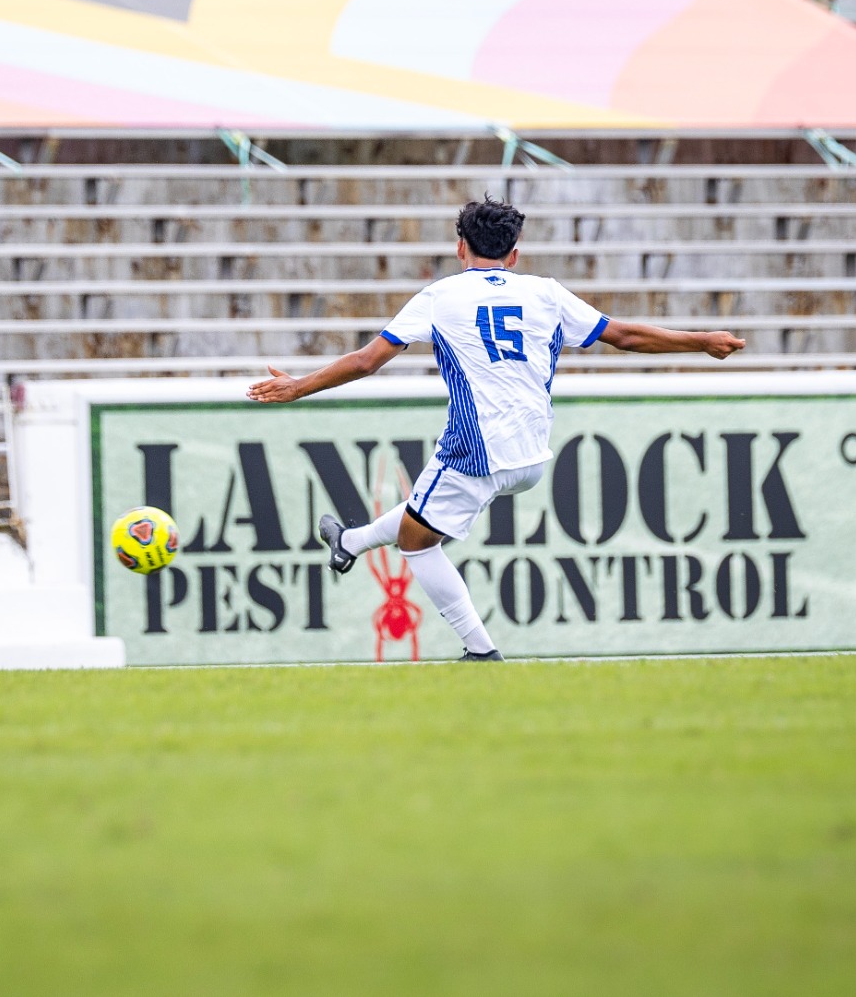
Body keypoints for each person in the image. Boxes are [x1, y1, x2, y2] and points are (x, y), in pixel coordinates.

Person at [245, 196, 745, 661]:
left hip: (476, 450)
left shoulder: (440, 296)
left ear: (460, 246)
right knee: (424, 509)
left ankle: (481, 652)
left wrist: (298, 387)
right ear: (514, 253)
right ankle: (349, 544)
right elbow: (626, 337)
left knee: (417, 542)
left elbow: (366, 361)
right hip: (531, 455)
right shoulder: (546, 294)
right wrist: (701, 340)